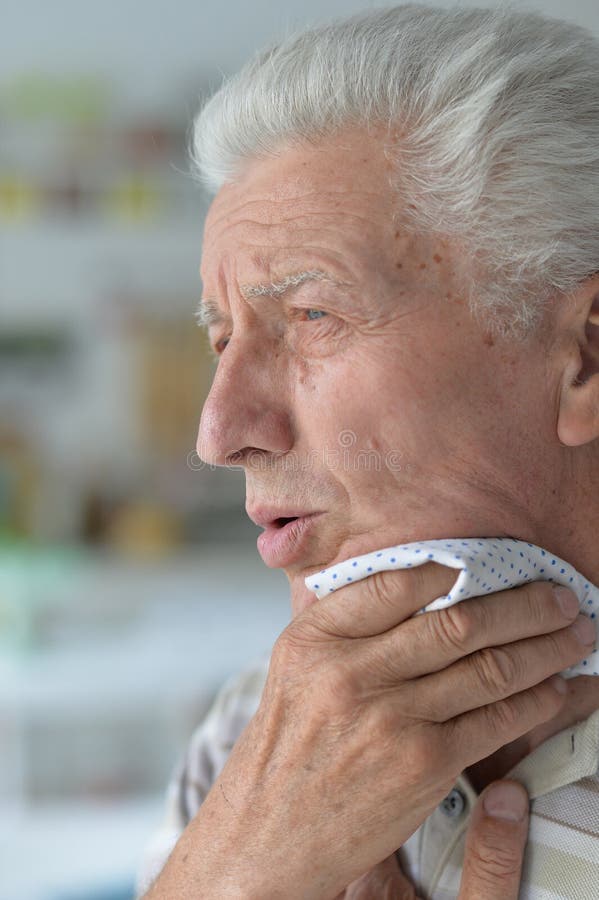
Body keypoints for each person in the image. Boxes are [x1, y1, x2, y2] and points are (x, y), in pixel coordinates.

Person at [137, 4, 599, 897]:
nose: (219, 431)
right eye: (220, 338)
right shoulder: (256, 741)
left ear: (584, 356)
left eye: (312, 316)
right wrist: (230, 872)